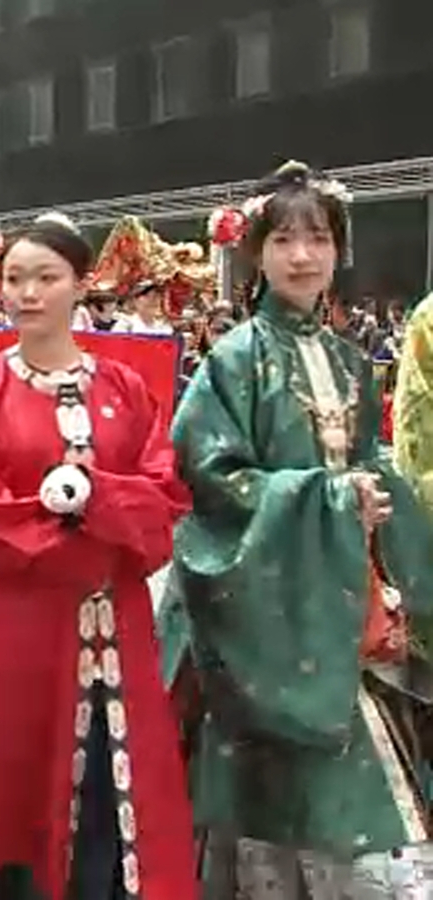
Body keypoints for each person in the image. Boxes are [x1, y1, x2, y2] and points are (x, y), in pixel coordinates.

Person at [0, 213, 198, 899]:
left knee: (117, 791)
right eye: (15, 278)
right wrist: (69, 542)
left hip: (114, 631)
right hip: (15, 627)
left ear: (81, 285)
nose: (28, 293)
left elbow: (164, 493)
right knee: (4, 786)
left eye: (46, 278)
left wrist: (99, 498)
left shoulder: (126, 390)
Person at [161, 161, 433, 896]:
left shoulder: (352, 363)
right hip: (260, 611)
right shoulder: (233, 358)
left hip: (345, 601)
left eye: (318, 238)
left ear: (340, 251)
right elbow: (210, 480)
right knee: (272, 812)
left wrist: (381, 515)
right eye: (284, 239)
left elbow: (372, 462)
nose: (302, 256)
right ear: (257, 252)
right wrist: (333, 501)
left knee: (371, 810)